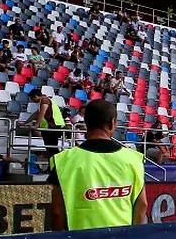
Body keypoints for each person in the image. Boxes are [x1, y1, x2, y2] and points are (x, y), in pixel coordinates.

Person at [47, 99, 146, 230]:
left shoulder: (63, 160)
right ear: (112, 123)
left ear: (86, 123)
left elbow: (57, 213)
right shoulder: (134, 159)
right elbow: (142, 205)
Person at [26, 91, 67, 169]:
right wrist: (25, 123)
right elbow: (36, 114)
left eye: (31, 98)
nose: (32, 101)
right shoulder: (45, 102)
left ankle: (56, 167)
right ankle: (52, 167)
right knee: (51, 149)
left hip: (53, 126)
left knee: (52, 149)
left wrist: (36, 125)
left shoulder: (44, 101)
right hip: (50, 127)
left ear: (35, 96)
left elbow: (42, 113)